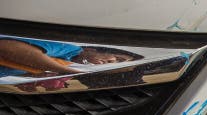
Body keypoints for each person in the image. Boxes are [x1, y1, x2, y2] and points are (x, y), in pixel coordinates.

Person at [0, 36, 138, 78]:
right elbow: (6, 47)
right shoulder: (69, 48)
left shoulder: (67, 62)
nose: (109, 63)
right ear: (91, 49)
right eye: (118, 59)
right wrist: (65, 71)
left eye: (112, 67)